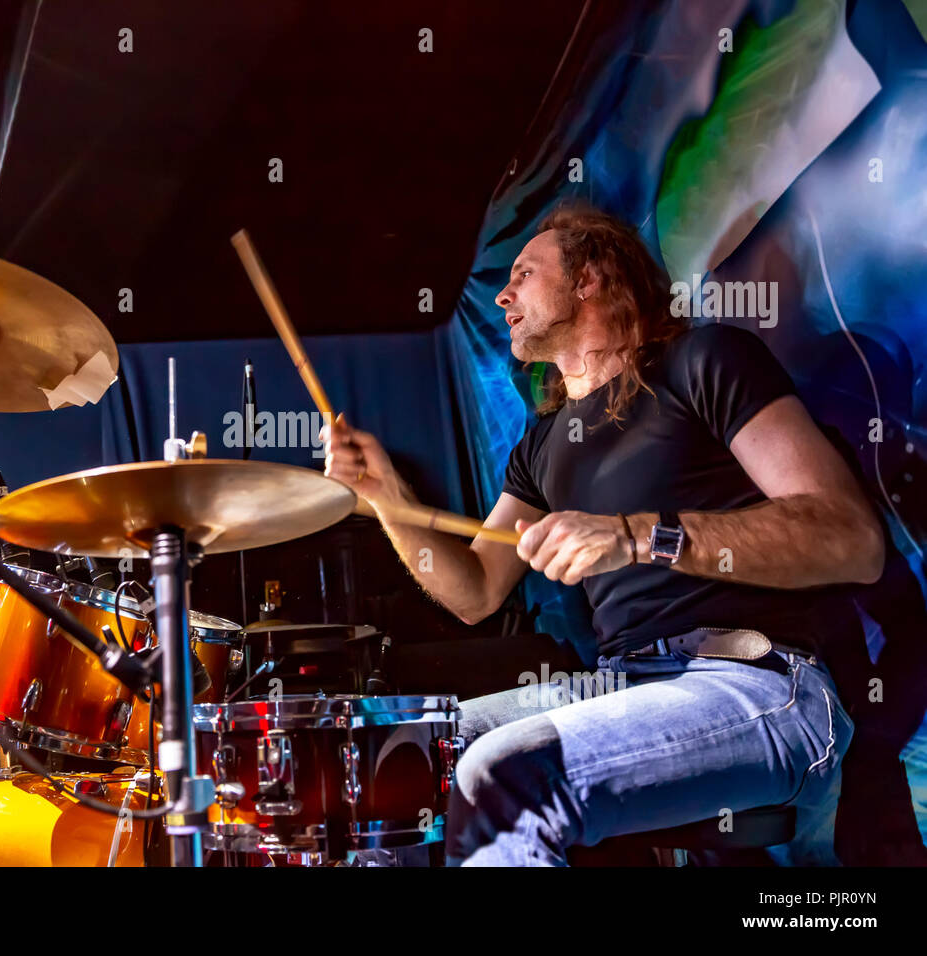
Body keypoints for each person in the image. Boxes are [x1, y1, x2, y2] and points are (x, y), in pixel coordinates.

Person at [323, 205, 883, 866]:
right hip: (622, 686)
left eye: (524, 273)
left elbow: (853, 540)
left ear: (588, 277)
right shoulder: (541, 444)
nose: (503, 294)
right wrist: (389, 500)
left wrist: (638, 534)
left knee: (504, 775)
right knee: (397, 763)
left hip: (762, 681)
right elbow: (474, 592)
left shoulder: (702, 361)